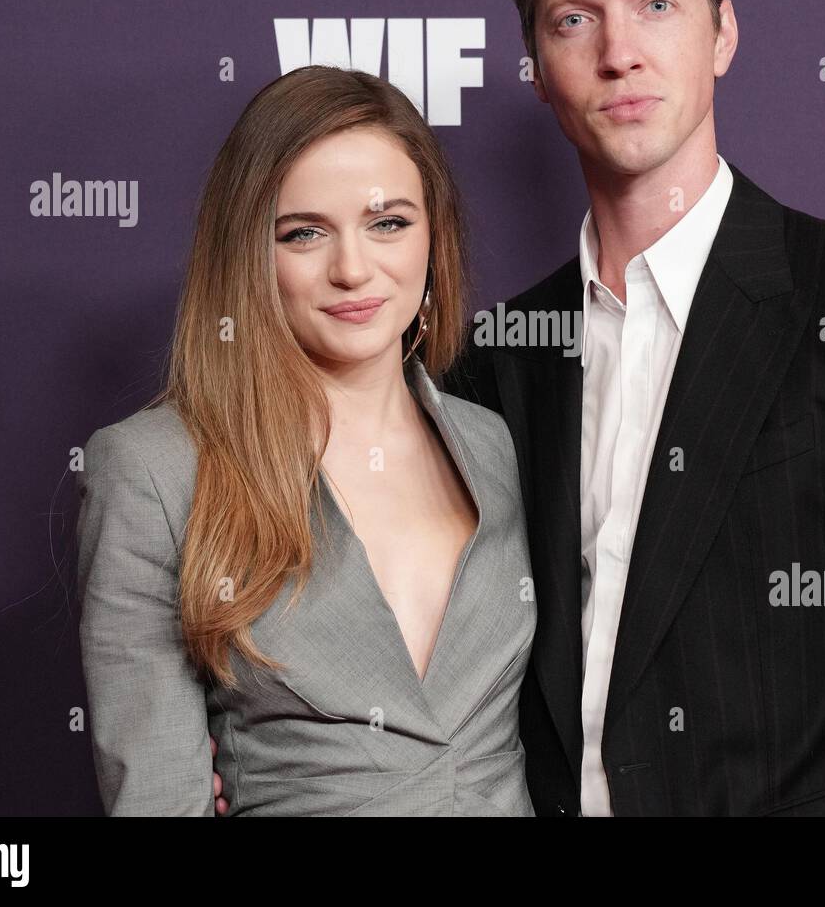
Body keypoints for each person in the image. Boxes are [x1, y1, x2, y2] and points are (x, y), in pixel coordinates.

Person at [215, 0, 825, 817]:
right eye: (575, 19)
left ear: (722, 32)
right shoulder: (493, 362)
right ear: (535, 64)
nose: (620, 53)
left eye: (656, 6)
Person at [76, 65, 536, 816]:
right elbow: (157, 796)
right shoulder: (157, 469)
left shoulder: (492, 446)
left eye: (388, 222)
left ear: (434, 237)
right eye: (304, 233)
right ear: (249, 253)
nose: (353, 269)